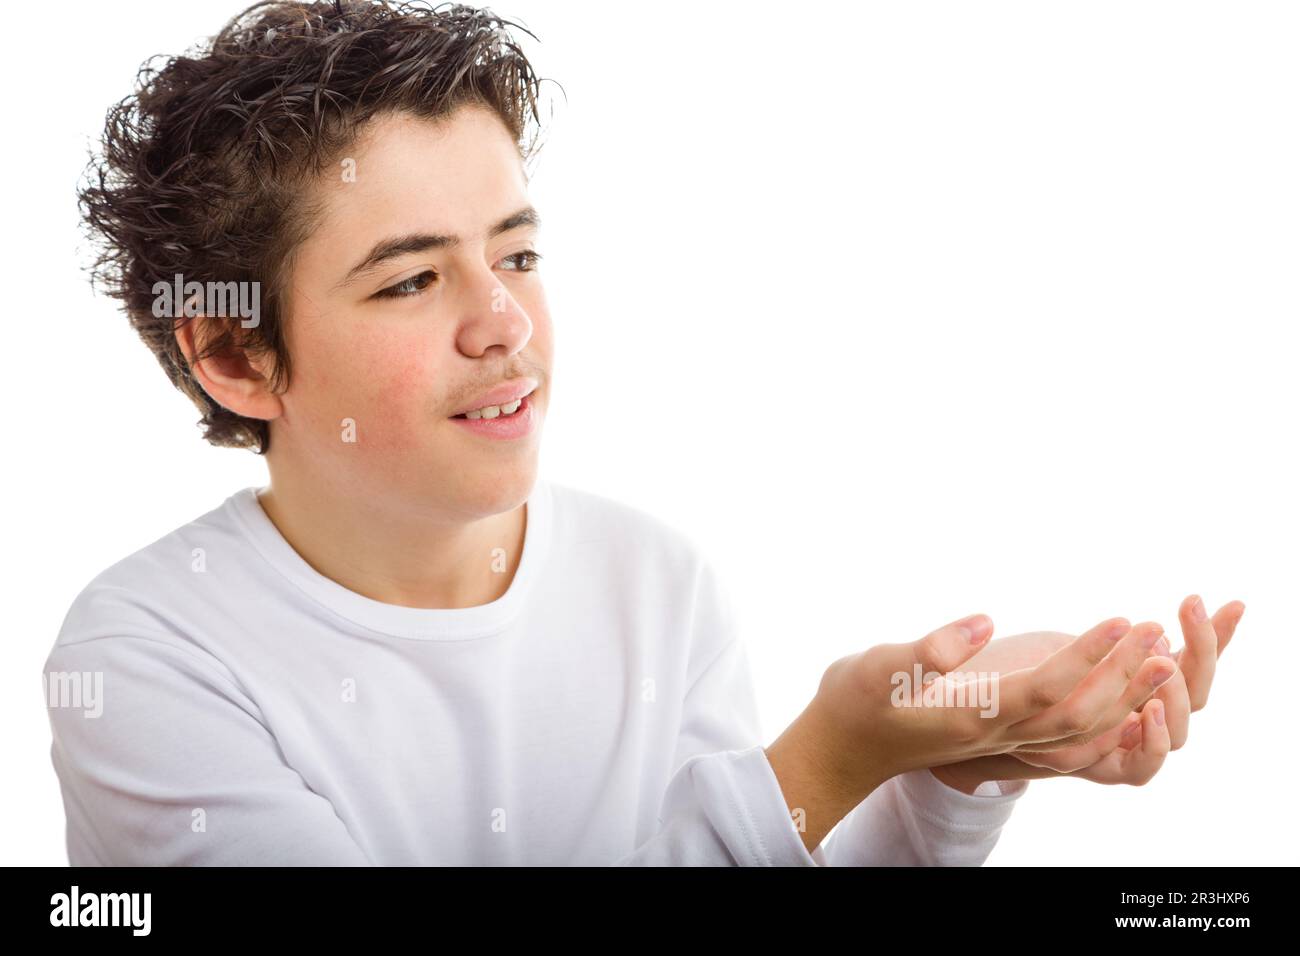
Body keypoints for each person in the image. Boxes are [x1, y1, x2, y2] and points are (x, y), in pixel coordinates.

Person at [45, 0, 1244, 865]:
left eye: (514, 253)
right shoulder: (148, 655)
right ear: (237, 354)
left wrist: (949, 764)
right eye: (411, 281)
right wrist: (824, 754)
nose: (504, 321)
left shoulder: (654, 583)